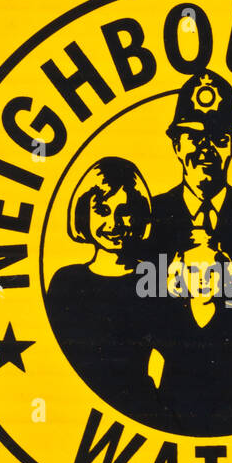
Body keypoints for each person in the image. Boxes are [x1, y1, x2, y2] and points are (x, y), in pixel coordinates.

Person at [147, 70, 232, 435]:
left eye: (218, 138)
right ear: (176, 144)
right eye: (193, 137)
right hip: (166, 402)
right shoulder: (148, 219)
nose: (205, 149)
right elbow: (142, 314)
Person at [46, 157, 164, 421]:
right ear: (83, 213)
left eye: (125, 211)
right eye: (102, 210)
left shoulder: (155, 277)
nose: (114, 223)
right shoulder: (67, 281)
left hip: (140, 410)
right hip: (73, 410)